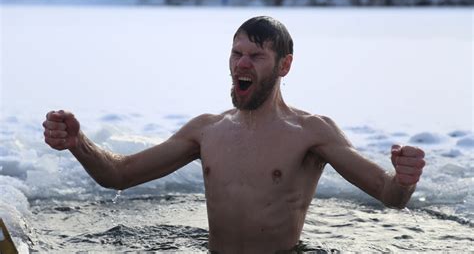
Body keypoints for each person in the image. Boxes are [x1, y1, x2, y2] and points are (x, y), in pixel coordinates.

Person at [43, 16, 425, 253]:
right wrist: (79, 144)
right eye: (236, 53)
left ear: (284, 66)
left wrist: (404, 180)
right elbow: (119, 175)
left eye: (256, 56)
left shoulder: (311, 133)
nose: (241, 63)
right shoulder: (207, 130)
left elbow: (388, 195)